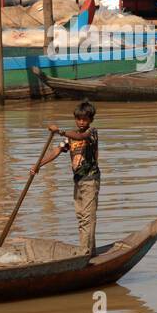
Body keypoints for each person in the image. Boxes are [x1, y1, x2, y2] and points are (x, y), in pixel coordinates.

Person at [34, 100, 101, 254]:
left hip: (91, 179)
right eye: (79, 119)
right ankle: (91, 250)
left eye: (85, 119)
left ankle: (85, 252)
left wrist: (60, 131)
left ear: (90, 120)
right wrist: (38, 165)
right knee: (81, 216)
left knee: (87, 217)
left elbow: (82, 137)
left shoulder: (92, 132)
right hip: (78, 181)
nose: (81, 122)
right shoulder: (71, 136)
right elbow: (56, 151)